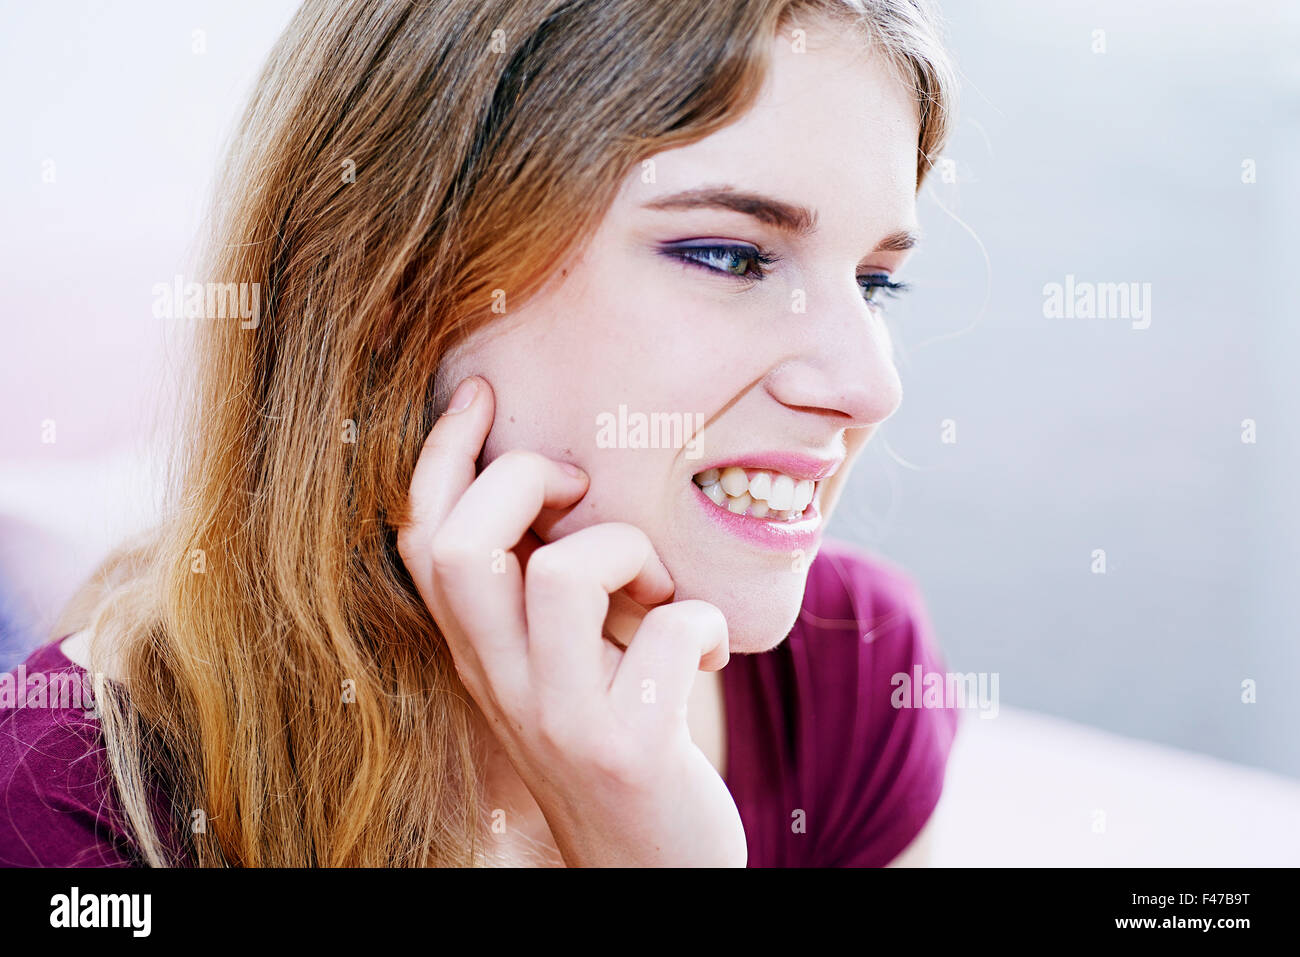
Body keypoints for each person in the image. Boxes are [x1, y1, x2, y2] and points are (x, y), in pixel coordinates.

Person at [1, 0, 960, 867]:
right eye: (729, 255)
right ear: (396, 289)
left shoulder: (856, 665)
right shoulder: (63, 806)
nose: (870, 385)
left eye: (876, 282)